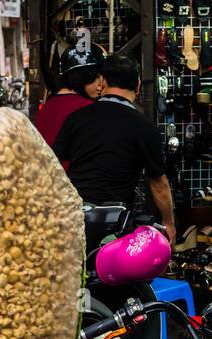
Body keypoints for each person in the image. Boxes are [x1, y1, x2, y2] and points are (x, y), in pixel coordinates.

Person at [54, 54, 176, 243]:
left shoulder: (76, 119)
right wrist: (169, 223)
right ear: (138, 86)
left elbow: (55, 164)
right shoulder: (144, 127)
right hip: (113, 222)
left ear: (102, 82)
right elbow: (159, 184)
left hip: (72, 214)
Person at [35, 38, 105, 149]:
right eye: (95, 78)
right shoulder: (88, 107)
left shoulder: (46, 107)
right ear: (82, 77)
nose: (100, 85)